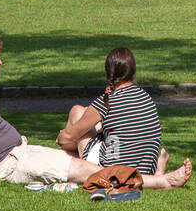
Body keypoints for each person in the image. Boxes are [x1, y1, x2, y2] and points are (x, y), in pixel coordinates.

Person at [0, 33, 191, 190]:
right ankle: (161, 181)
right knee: (94, 172)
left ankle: (154, 177)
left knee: (78, 161)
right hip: (12, 162)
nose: (1, 62)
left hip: (20, 153)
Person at [56, 47, 174, 178]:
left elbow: (68, 137)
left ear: (108, 72)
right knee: (96, 127)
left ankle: (69, 160)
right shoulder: (146, 97)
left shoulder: (106, 102)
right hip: (145, 170)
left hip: (111, 172)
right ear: (133, 71)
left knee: (77, 112)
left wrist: (61, 137)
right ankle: (157, 171)